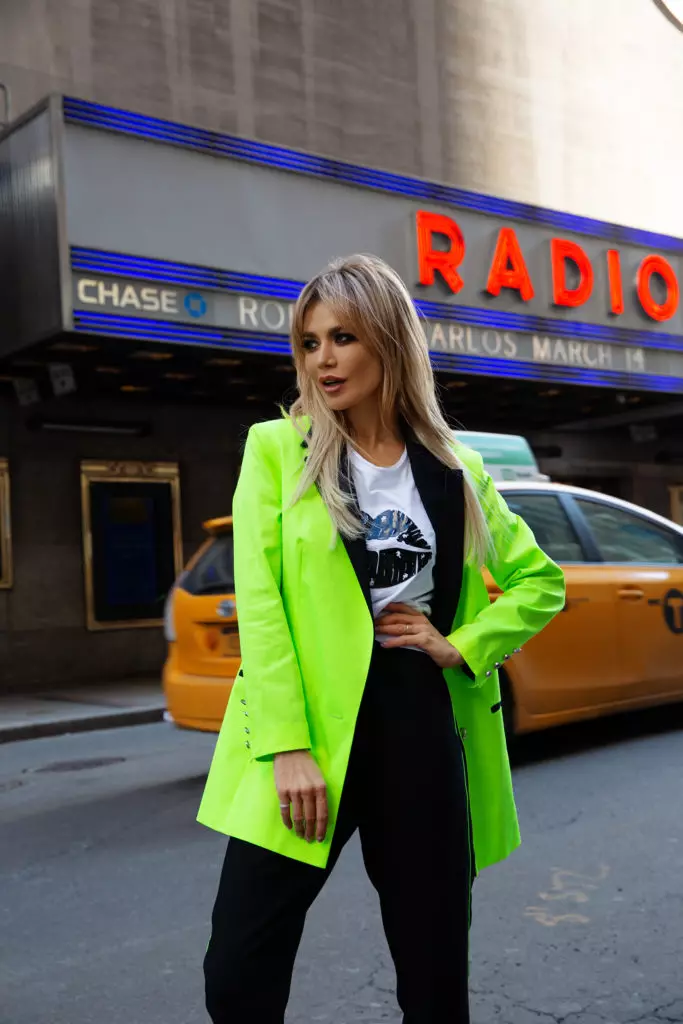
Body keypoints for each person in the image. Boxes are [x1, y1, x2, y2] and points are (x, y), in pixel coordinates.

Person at [198, 253, 566, 1023]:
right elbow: (261, 606)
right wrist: (288, 745)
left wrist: (458, 644)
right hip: (306, 731)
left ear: (388, 342)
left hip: (418, 723)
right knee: (238, 966)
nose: (322, 360)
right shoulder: (277, 450)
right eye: (308, 343)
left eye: (342, 338)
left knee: (433, 966)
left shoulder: (454, 467)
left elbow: (539, 582)